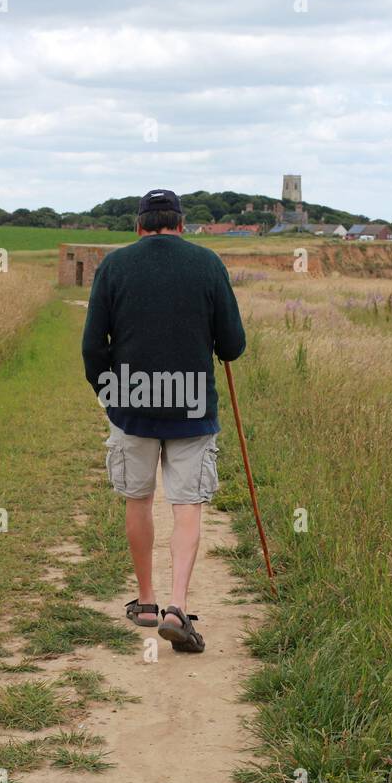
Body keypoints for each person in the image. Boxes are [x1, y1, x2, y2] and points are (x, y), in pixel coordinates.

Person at [81, 189, 246, 653]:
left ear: (138, 226)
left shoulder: (113, 266)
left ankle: (148, 602)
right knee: (186, 504)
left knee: (138, 498)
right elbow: (232, 345)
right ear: (181, 224)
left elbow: (93, 345)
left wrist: (107, 391)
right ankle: (177, 606)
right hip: (192, 407)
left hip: (131, 405)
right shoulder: (208, 263)